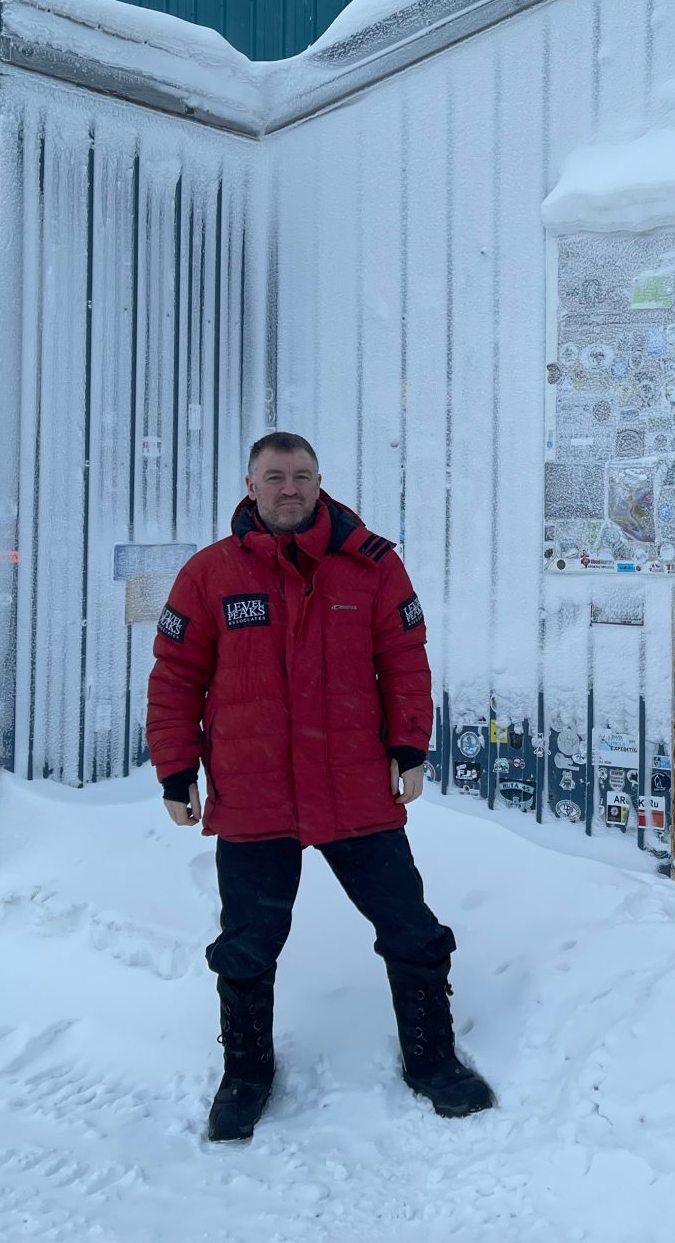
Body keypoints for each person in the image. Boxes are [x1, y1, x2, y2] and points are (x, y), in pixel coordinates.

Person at [148, 431, 495, 1142]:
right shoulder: (208, 575)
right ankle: (245, 1073)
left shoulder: (370, 565)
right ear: (250, 486)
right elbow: (176, 677)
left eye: (301, 475)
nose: (289, 488)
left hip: (355, 791)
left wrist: (409, 747)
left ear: (319, 481)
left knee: (412, 929)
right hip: (254, 796)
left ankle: (431, 1059)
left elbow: (405, 661)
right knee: (247, 944)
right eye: (274, 477)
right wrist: (176, 770)